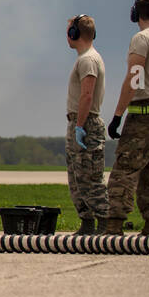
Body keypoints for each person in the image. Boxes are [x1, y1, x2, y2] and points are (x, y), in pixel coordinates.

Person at [103, 0, 149, 236]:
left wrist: (117, 115)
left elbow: (134, 78)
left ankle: (114, 223)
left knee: (125, 169)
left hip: (144, 112)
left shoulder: (141, 39)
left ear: (136, 14)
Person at [64, 15, 107, 234]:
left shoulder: (88, 60)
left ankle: (104, 223)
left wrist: (80, 126)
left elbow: (87, 95)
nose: (67, 35)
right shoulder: (85, 58)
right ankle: (87, 222)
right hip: (78, 123)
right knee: (77, 178)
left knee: (90, 177)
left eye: (69, 30)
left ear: (75, 33)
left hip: (86, 123)